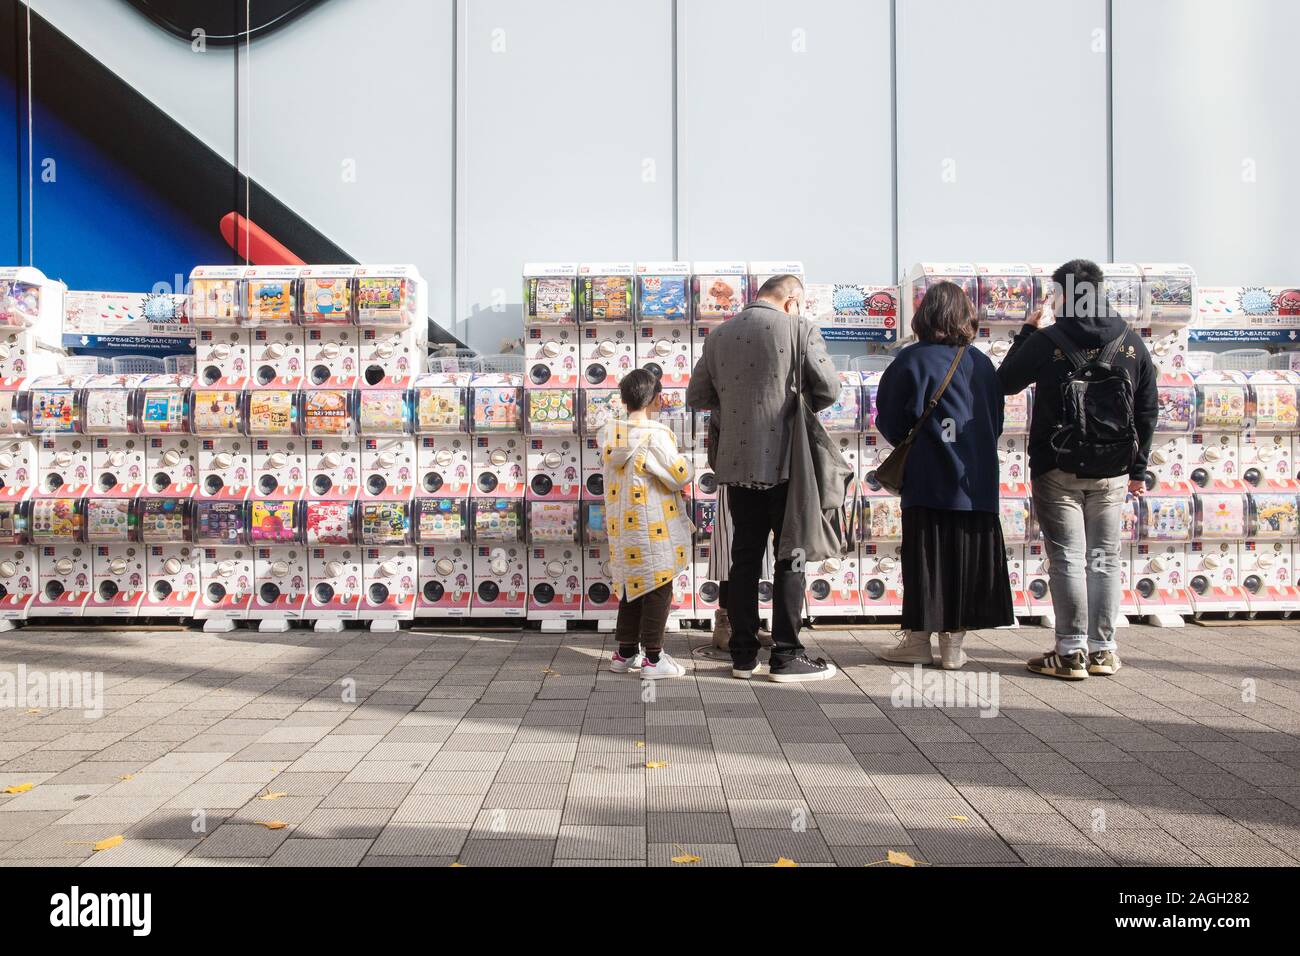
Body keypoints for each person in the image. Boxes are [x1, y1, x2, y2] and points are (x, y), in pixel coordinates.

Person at [997, 259, 1158, 680]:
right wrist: (1138, 468)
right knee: (1104, 557)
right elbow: (1147, 410)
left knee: (1067, 558)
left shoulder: (1049, 340)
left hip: (1057, 467)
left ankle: (1070, 652)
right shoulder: (1130, 342)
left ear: (1065, 295)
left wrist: (1029, 331)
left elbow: (1004, 382)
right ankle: (1103, 650)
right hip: (1113, 470)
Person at [686, 274, 841, 682]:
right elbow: (829, 388)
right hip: (788, 461)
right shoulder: (800, 328)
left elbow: (698, 396)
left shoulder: (719, 336)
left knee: (745, 556)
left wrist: (737, 405)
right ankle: (787, 656)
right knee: (792, 554)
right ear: (791, 300)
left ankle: (742, 655)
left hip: (736, 462)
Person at [874, 281, 1014, 669]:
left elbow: (888, 418)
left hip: (928, 477)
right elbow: (995, 421)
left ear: (924, 315)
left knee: (926, 558)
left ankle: (918, 640)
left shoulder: (910, 360)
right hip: (977, 482)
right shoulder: (981, 363)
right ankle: (954, 646)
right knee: (966, 559)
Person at [600, 368, 695, 679]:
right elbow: (680, 474)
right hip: (653, 526)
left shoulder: (612, 435)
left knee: (632, 585)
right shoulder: (654, 436)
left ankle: (625, 653)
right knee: (658, 585)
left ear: (625, 399)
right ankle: (654, 659)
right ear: (656, 399)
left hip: (623, 529)